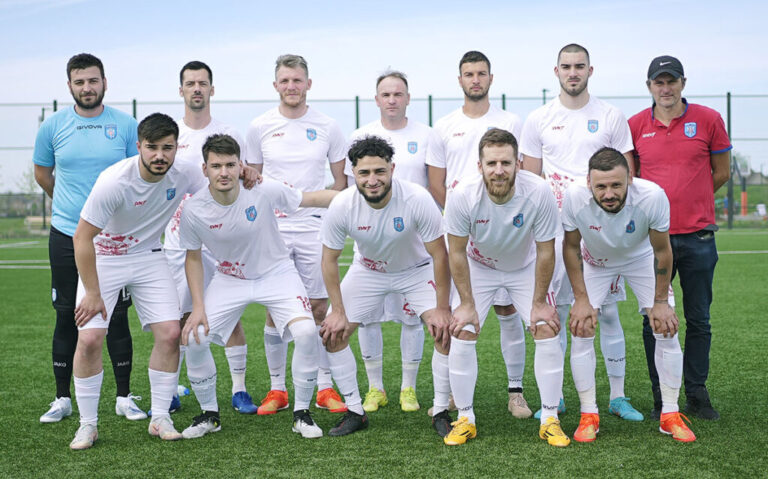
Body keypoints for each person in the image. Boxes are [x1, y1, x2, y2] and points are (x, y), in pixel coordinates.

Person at [178, 134, 338, 439]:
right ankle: (209, 415)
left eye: (230, 165)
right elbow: (193, 258)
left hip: (277, 274)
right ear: (205, 169)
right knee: (195, 337)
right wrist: (198, 308)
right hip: (230, 278)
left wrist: (358, 196)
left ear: (241, 166)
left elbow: (311, 198)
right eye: (216, 166)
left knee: (306, 332)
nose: (223, 172)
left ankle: (301, 415)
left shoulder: (262, 189)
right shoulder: (194, 209)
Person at [520, 43, 641, 421]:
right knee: (555, 312)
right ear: (556, 71)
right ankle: (555, 398)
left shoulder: (610, 115)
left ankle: (618, 396)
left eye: (579, 66)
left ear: (591, 70)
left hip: (599, 231)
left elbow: (628, 173)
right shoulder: (538, 118)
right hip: (556, 232)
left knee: (606, 313)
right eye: (566, 66)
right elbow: (530, 180)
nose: (573, 72)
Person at [68, 113, 198, 449]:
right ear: (139, 146)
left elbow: (220, 181)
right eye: (152, 147)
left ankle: (160, 418)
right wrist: (92, 293)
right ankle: (87, 425)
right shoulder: (114, 181)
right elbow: (82, 238)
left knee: (171, 334)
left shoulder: (185, 174)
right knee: (90, 339)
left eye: (167, 148)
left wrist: (246, 171)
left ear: (176, 147)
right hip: (104, 256)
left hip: (149, 256)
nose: (160, 155)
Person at [33, 53, 143, 424]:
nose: (87, 88)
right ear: (70, 86)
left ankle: (124, 397)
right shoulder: (53, 126)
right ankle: (62, 398)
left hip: (114, 238)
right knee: (67, 314)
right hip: (67, 234)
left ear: (104, 83)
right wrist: (75, 211)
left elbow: (135, 177)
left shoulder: (126, 125)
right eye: (79, 82)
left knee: (116, 316)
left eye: (93, 80)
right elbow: (43, 173)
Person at [319, 135, 452, 437]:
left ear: (392, 169)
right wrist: (337, 311)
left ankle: (441, 411)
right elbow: (329, 260)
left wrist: (443, 308)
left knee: (445, 330)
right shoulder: (342, 205)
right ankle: (355, 411)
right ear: (353, 173)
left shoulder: (417, 198)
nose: (372, 180)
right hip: (369, 270)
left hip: (416, 271)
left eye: (379, 171)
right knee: (333, 334)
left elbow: (440, 255)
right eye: (364, 172)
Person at [561, 147, 696, 443]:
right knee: (581, 327)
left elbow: (662, 250)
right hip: (596, 263)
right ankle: (588, 414)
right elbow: (570, 247)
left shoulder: (652, 196)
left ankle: (670, 414)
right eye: (601, 186)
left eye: (616, 185)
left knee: (666, 327)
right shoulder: (574, 198)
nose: (609, 194)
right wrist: (581, 299)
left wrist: (660, 302)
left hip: (640, 259)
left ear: (630, 179)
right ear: (588, 182)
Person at [444, 128, 569, 447]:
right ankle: (465, 419)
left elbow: (546, 250)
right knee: (463, 330)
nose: (499, 170)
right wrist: (466, 304)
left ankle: (550, 419)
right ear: (480, 166)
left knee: (545, 327)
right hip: (480, 267)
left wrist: (539, 302)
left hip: (524, 266)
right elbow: (455, 252)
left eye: (506, 163)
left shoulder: (538, 191)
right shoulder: (462, 194)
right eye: (491, 163)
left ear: (518, 164)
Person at [426, 51, 530, 418]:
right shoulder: (443, 126)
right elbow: (436, 182)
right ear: (460, 80)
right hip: (463, 233)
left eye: (481, 73)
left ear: (491, 78)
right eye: (468, 74)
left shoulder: (511, 121)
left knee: (508, 311)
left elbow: (522, 172)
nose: (475, 79)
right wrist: (467, 219)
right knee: (460, 315)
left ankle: (516, 392)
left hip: (506, 232)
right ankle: (454, 396)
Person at [629, 55, 731, 420]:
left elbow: (721, 172)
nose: (665, 88)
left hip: (698, 237)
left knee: (698, 318)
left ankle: (697, 393)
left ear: (683, 84)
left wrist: (694, 199)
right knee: (653, 318)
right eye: (659, 82)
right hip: (654, 241)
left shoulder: (709, 119)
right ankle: (662, 395)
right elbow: (631, 180)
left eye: (671, 81)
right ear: (649, 87)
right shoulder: (635, 125)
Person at [245, 54, 347, 415]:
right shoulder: (259, 126)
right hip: (272, 228)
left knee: (319, 307)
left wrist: (317, 208)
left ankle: (324, 386)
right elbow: (251, 183)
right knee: (276, 309)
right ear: (276, 85)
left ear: (308, 84)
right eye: (285, 80)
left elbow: (340, 184)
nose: (291, 86)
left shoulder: (328, 126)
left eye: (297, 80)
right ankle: (277, 389)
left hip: (313, 226)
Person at [163, 60, 259, 415]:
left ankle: (239, 389)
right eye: (190, 84)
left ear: (212, 89)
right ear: (181, 90)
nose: (197, 89)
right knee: (177, 318)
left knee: (229, 316)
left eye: (202, 83)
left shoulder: (229, 133)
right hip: (180, 240)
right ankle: (170, 390)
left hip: (222, 241)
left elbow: (244, 177)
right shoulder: (171, 136)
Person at [344, 70, 441, 413]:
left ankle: (408, 388)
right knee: (367, 318)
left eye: (398, 94)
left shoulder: (426, 135)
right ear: (376, 99)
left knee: (413, 319)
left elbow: (434, 186)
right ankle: (375, 388)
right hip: (372, 248)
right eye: (386, 94)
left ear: (408, 98)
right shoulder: (360, 136)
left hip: (413, 248)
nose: (392, 100)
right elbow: (353, 192)